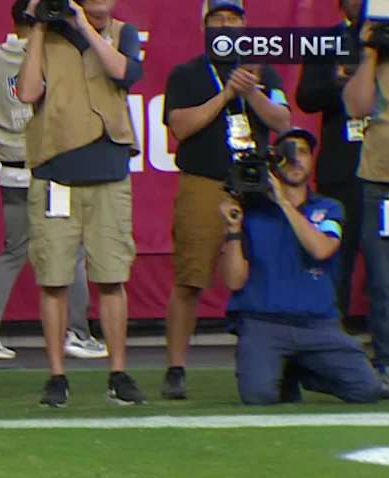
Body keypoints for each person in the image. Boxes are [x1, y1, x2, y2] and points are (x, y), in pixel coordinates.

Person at [17, 0, 147, 408]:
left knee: (111, 275)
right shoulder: (47, 37)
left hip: (108, 169)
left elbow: (125, 73)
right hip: (56, 170)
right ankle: (57, 375)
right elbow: (27, 91)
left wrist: (86, 27)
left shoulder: (122, 33)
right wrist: (39, 25)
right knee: (54, 279)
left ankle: (118, 372)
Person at [161, 0, 290, 400]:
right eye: (218, 19)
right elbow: (180, 126)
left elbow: (282, 122)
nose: (226, 25)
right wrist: (225, 95)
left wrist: (250, 93)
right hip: (204, 181)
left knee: (265, 273)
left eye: (233, 19)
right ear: (205, 26)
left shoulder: (262, 69)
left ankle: (272, 363)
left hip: (256, 185)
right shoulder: (187, 73)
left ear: (244, 25)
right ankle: (176, 367)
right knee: (190, 277)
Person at [0, 0, 106, 363]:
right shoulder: (48, 55)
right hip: (43, 165)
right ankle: (77, 332)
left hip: (10, 169)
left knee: (14, 249)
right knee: (70, 249)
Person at [219, 129, 385, 405]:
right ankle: (282, 367)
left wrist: (283, 202)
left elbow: (321, 249)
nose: (296, 160)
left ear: (312, 161)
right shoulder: (251, 211)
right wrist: (233, 230)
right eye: (287, 154)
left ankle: (299, 369)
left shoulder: (329, 208)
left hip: (317, 324)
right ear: (274, 163)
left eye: (303, 153)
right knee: (258, 396)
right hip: (264, 322)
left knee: (367, 390)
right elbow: (234, 281)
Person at [297, 0, 366, 318]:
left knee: (386, 264)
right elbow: (306, 98)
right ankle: (331, 339)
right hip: (341, 168)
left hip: (386, 166)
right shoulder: (326, 42)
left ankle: (387, 350)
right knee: (338, 259)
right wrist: (337, 84)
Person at [343, 19, 389, 396]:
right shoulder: (375, 60)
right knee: (383, 283)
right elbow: (356, 107)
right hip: (382, 184)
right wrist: (371, 52)